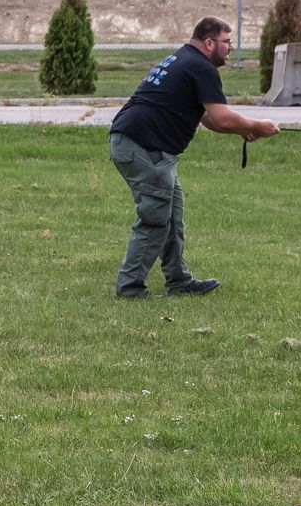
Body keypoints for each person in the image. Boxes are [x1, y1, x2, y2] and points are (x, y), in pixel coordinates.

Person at [107, 17, 280, 300]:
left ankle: (178, 280)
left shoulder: (182, 59)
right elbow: (223, 118)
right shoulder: (201, 67)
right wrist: (257, 125)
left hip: (134, 142)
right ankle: (130, 287)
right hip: (143, 146)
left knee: (171, 214)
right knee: (155, 216)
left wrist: (245, 129)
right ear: (209, 42)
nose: (231, 48)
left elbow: (207, 117)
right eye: (227, 42)